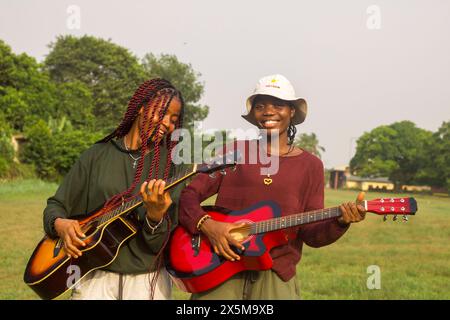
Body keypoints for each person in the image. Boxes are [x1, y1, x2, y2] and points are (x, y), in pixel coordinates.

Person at [178, 74, 367, 300]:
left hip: (276, 275)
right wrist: (210, 227)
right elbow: (188, 195)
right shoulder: (234, 151)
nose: (268, 111)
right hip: (220, 266)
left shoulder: (311, 165)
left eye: (278, 105)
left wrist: (341, 221)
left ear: (292, 112)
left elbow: (312, 235)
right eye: (260, 106)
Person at [43, 78, 185, 300]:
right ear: (141, 108)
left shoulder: (174, 168)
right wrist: (60, 224)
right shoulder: (96, 155)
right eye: (162, 113)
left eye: (174, 120)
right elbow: (56, 206)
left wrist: (155, 217)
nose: (168, 124)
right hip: (93, 277)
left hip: (147, 281)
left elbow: (158, 244)